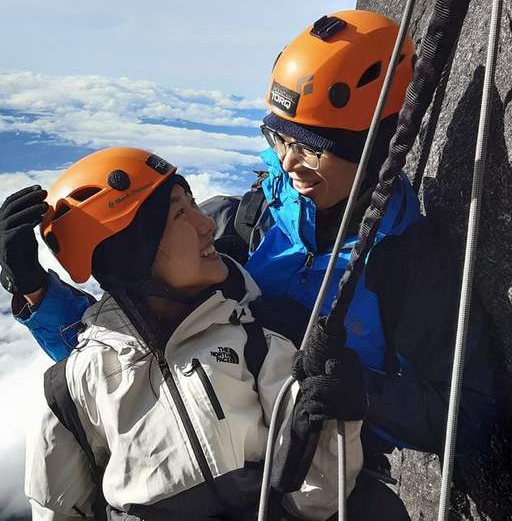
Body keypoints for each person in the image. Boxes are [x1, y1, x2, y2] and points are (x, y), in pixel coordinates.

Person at [0, 10, 495, 486]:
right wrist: (36, 291)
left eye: (312, 147)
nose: (289, 162)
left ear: (377, 145)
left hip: (316, 474)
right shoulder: (250, 218)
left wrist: (362, 393)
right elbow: (132, 353)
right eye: (279, 138)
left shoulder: (406, 263)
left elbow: (466, 414)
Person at [23, 147, 365, 520]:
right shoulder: (73, 385)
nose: (206, 225)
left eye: (194, 205)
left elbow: (315, 503)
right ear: (132, 254)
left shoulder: (261, 335)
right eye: (179, 214)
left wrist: (336, 423)